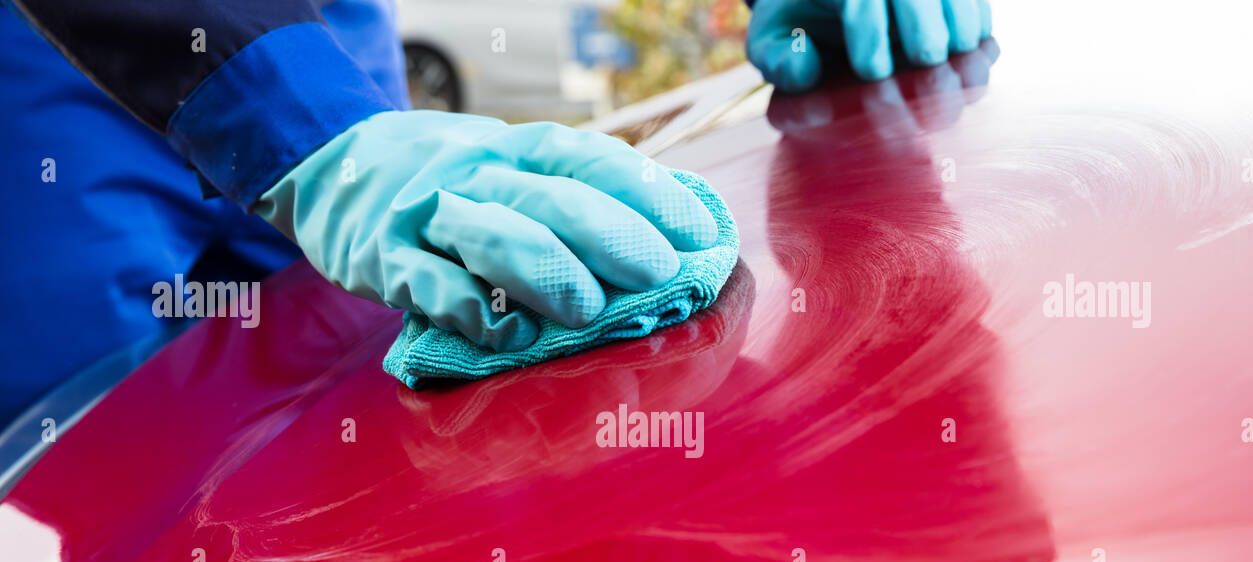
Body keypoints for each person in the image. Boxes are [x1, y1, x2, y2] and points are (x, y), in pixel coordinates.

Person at [0, 0, 992, 428]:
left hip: (318, 35)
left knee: (353, 384)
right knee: (115, 486)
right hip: (58, 78)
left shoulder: (984, 556)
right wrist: (302, 123)